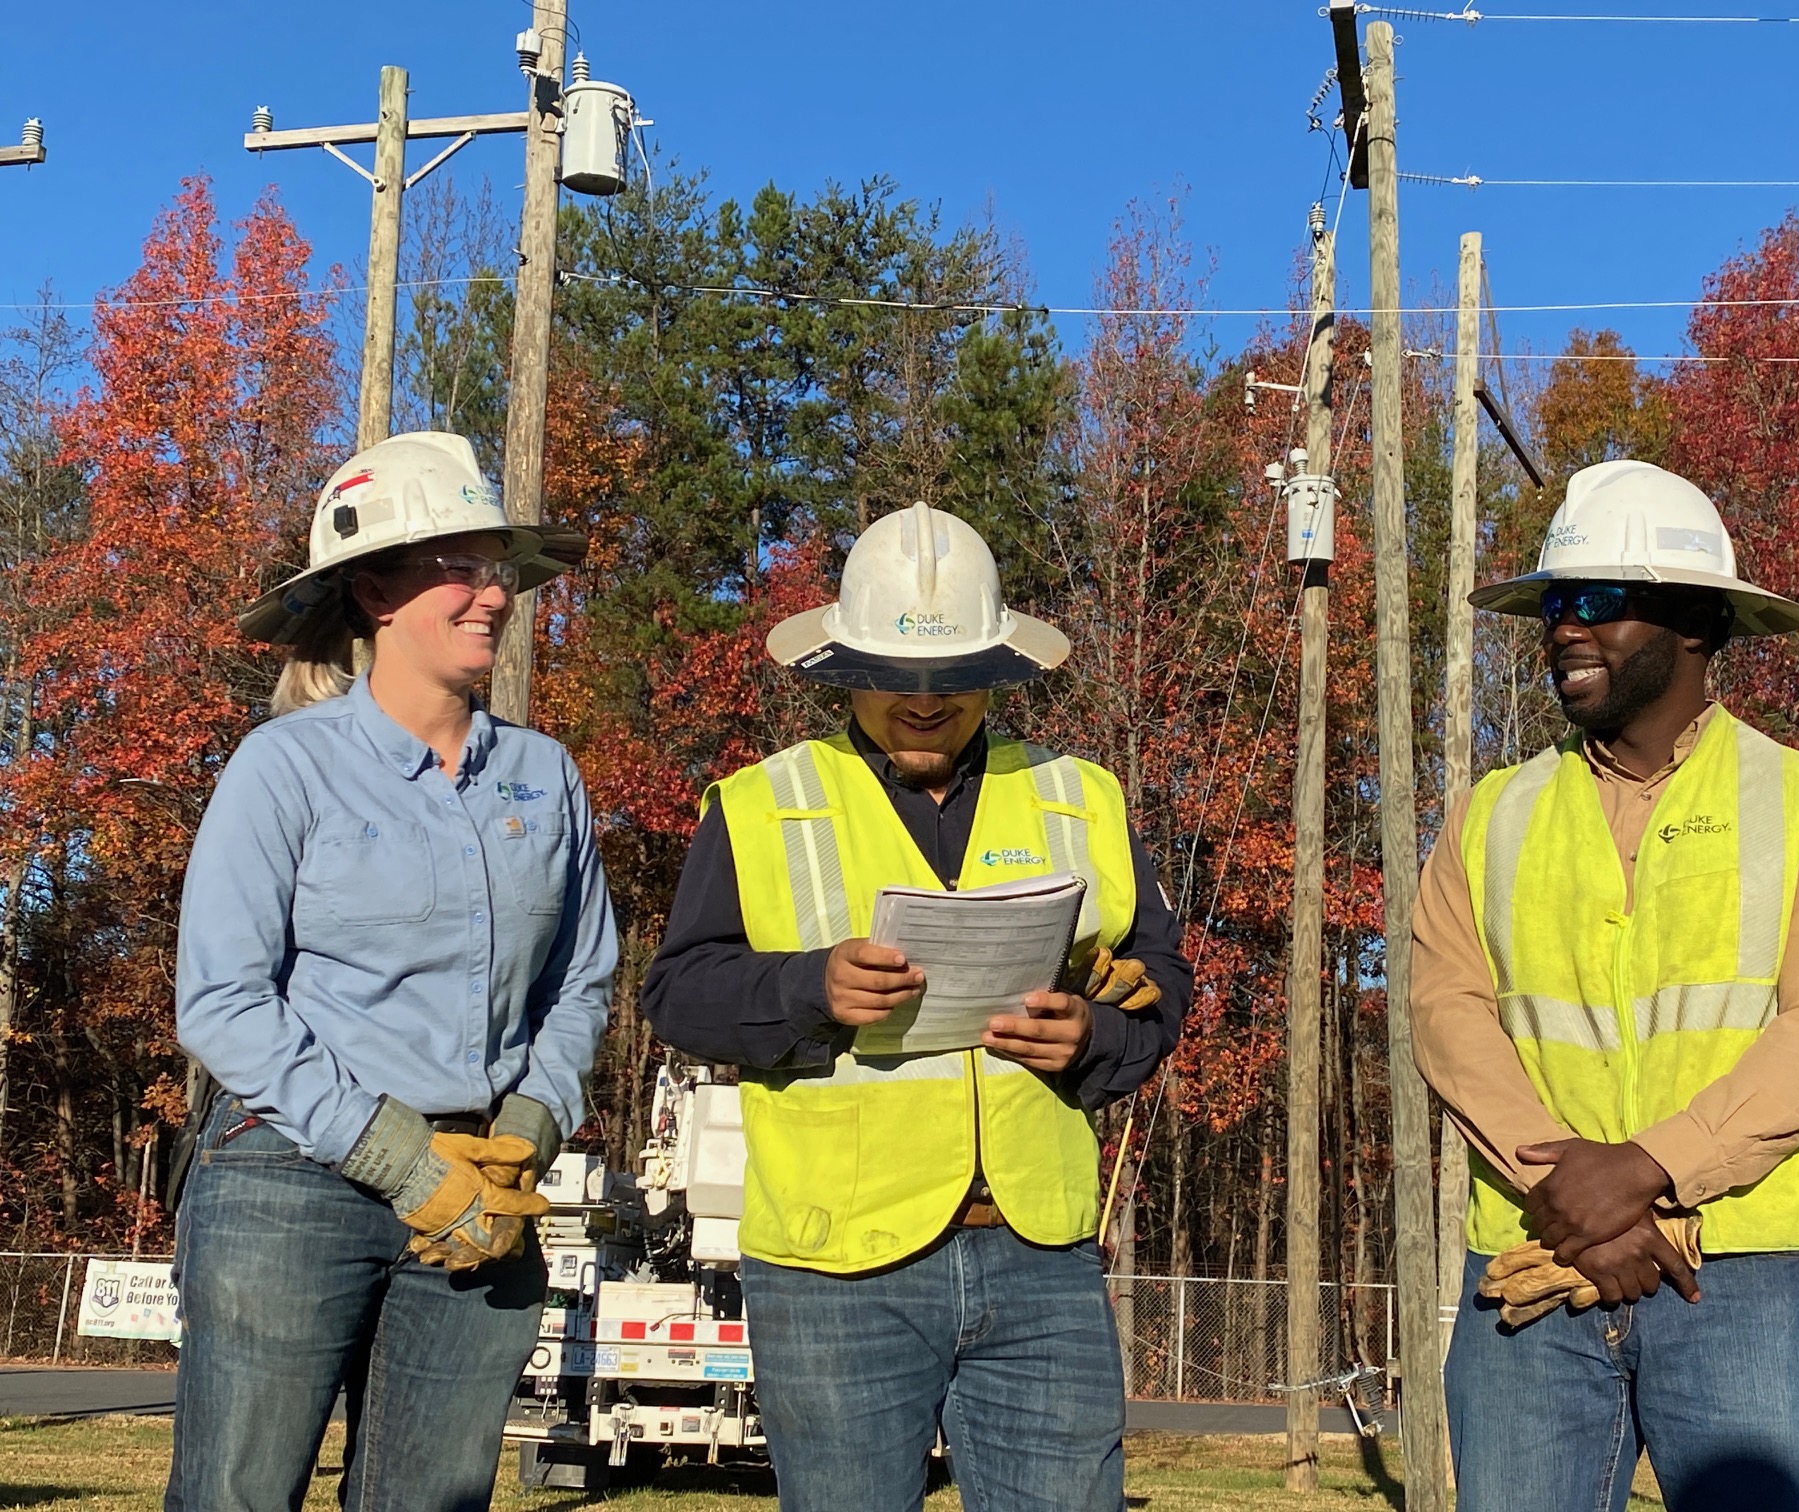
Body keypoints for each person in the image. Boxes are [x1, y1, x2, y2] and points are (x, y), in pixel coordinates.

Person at [643, 500, 1192, 1512]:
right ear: (846, 666)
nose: (926, 701)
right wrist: (809, 989)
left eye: (953, 677)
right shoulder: (762, 803)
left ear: (999, 667)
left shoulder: (1083, 796)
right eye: (898, 677)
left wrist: (1100, 1037)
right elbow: (678, 994)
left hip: (1042, 1260)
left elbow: (1159, 975)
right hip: (834, 1271)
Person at [1413, 458, 1799, 1512]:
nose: (1561, 631)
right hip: (1531, 1269)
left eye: (1594, 603)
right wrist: (1573, 1196)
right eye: (1552, 607)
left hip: (1748, 1277)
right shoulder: (1490, 818)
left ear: (1692, 621)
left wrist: (1649, 1169)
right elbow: (1446, 1014)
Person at [168, 432, 616, 1512]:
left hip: (486, 1183)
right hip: (287, 1177)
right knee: (238, 1494)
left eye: (497, 569)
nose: (491, 596)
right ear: (374, 590)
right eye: (456, 568)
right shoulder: (285, 768)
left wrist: (528, 1130)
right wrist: (402, 1164)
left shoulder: (545, 777)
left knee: (433, 1499)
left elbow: (583, 980)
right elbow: (222, 1002)